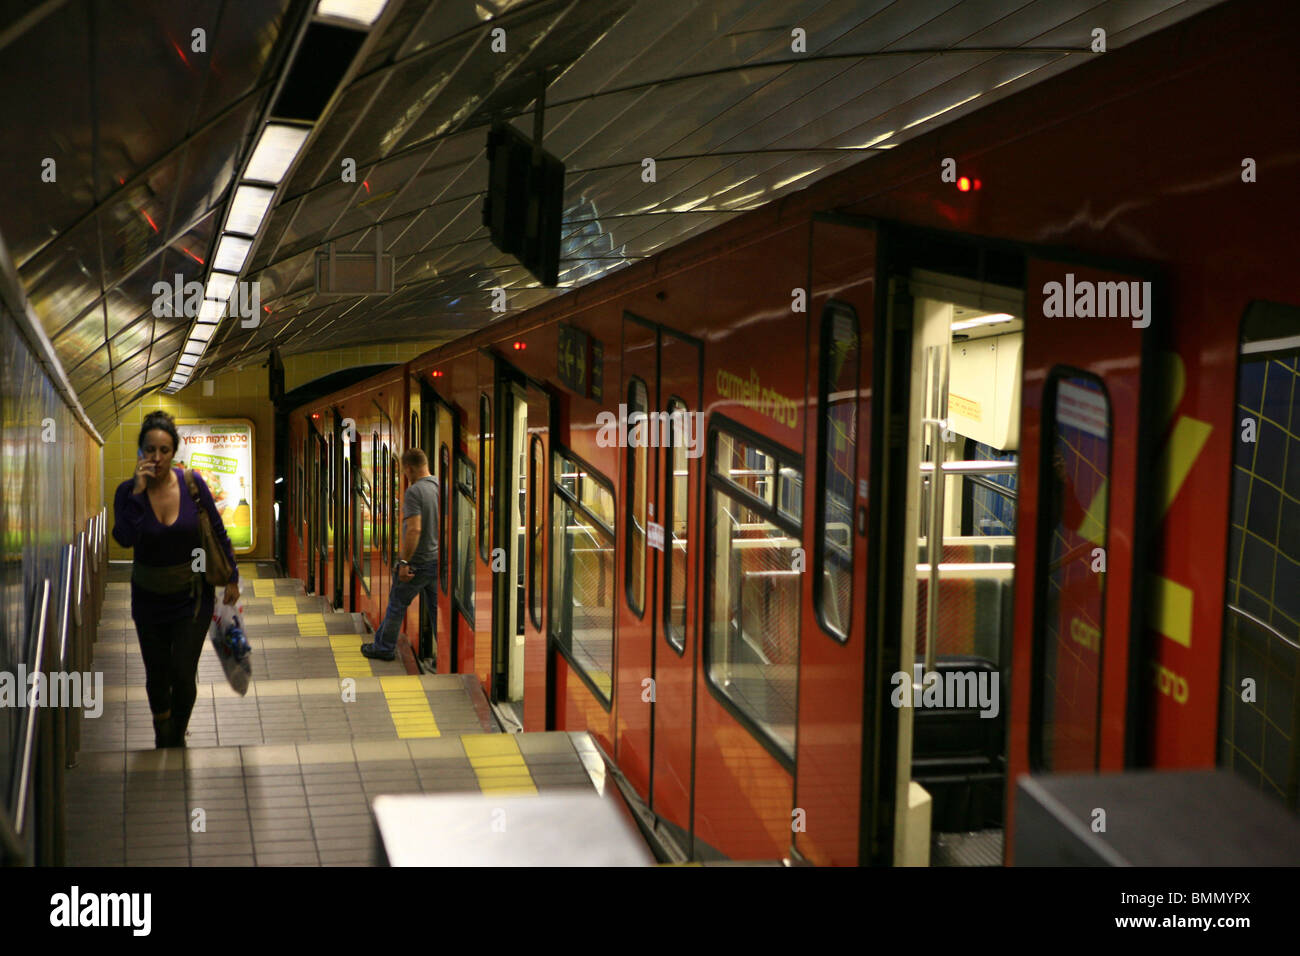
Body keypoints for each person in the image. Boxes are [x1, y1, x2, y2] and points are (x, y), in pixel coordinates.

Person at [112, 411, 240, 748]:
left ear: (174, 452)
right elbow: (124, 538)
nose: (156, 457)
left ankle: (176, 734)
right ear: (140, 451)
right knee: (157, 673)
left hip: (193, 595)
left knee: (183, 673)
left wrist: (231, 577)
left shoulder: (192, 484)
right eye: (149, 449)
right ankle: (161, 731)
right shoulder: (127, 493)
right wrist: (139, 493)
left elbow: (217, 530)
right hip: (148, 597)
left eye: (164, 450)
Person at [362, 448, 439, 662]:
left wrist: (404, 562)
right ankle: (445, 651)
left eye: (405, 472)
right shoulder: (440, 486)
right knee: (436, 610)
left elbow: (414, 529)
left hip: (417, 562)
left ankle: (384, 648)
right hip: (436, 560)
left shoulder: (415, 491)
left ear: (409, 468)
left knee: (396, 604)